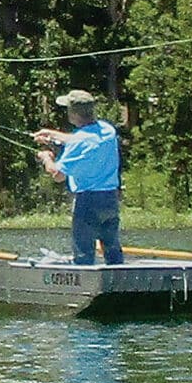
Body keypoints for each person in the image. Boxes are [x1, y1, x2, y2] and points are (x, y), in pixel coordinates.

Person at [33, 89, 124, 265]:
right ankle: (118, 280)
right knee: (112, 248)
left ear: (73, 113)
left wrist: (46, 158)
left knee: (83, 253)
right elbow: (84, 138)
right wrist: (51, 134)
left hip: (87, 201)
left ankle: (86, 284)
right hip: (110, 199)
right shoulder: (108, 130)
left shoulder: (77, 142)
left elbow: (58, 175)